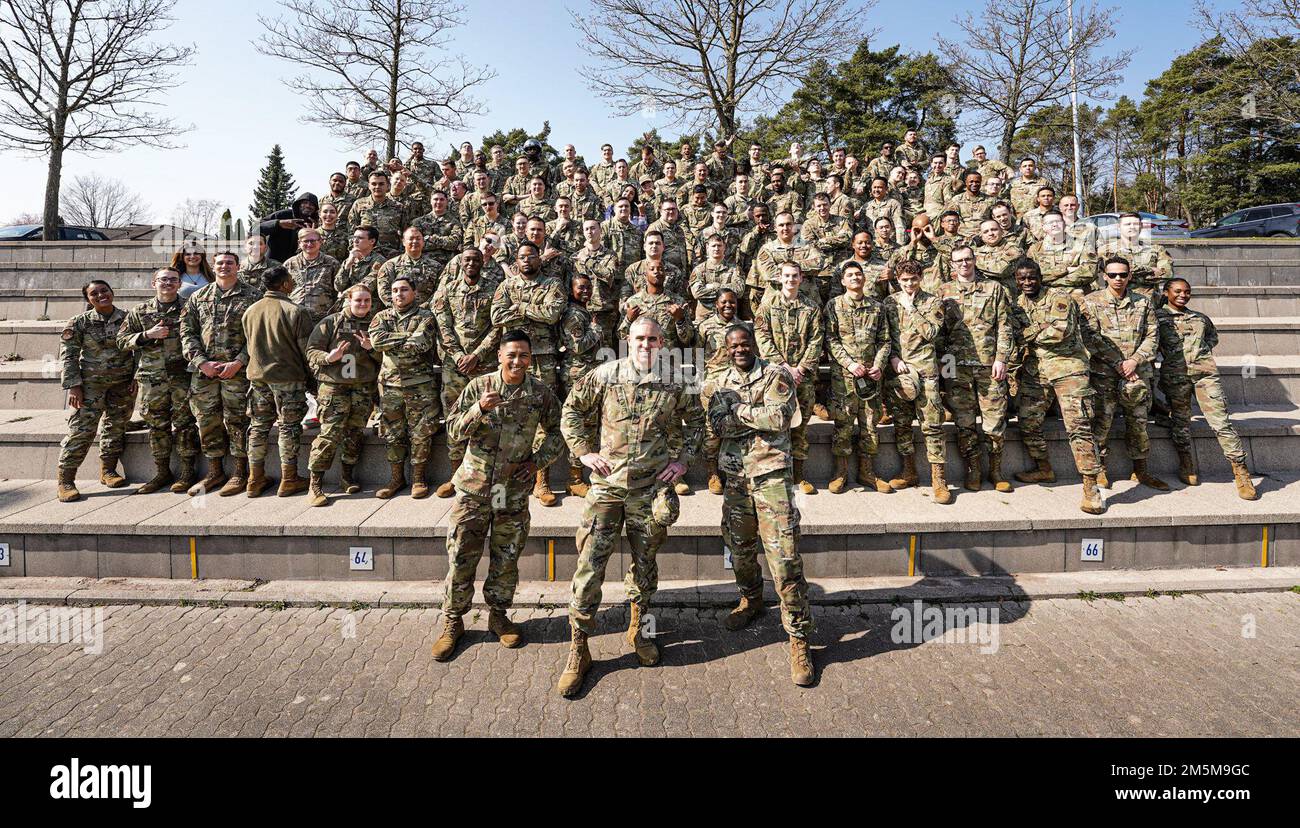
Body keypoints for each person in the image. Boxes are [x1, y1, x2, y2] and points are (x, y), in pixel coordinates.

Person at [556, 317, 705, 698]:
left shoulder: (675, 380)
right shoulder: (604, 374)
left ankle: (640, 630)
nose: (646, 345)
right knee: (589, 567)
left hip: (648, 489)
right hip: (607, 488)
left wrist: (683, 460)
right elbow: (571, 411)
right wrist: (584, 453)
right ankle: (579, 648)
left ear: (663, 342)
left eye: (654, 339)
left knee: (645, 564)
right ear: (627, 340)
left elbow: (698, 421)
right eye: (640, 338)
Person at [433, 330, 565, 661]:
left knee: (506, 559)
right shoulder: (479, 387)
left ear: (530, 358)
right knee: (462, 556)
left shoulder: (540, 394)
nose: (517, 361)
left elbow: (558, 431)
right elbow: (452, 429)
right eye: (511, 355)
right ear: (500, 357)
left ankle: (498, 616)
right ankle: (453, 622)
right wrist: (478, 408)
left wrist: (537, 463)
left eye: (523, 355)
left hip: (511, 491)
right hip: (474, 490)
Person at [706, 323, 815, 685]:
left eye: (744, 343)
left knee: (784, 560)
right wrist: (752, 415)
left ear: (753, 344)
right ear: (726, 348)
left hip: (771, 480)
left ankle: (799, 637)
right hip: (736, 479)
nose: (739, 349)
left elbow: (781, 417)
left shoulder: (775, 374)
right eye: (733, 345)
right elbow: (717, 426)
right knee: (739, 551)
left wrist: (738, 412)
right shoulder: (718, 380)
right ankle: (751, 600)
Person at [1008, 260, 1106, 514]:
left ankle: (1090, 486)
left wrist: (1029, 332)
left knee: (1079, 427)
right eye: (1022, 279)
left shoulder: (1059, 297)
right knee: (1028, 422)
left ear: (1040, 277)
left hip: (1068, 369)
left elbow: (1059, 331)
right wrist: (1038, 328)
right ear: (1016, 280)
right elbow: (1015, 335)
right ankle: (1043, 468)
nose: (1027, 283)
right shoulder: (1016, 304)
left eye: (1031, 278)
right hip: (1036, 371)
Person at [1156, 278, 1257, 499]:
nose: (1183, 295)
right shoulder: (1157, 317)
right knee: (1181, 421)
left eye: (1187, 292)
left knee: (1221, 422)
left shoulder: (1200, 318)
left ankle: (1241, 472)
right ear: (1166, 292)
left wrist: (1201, 354)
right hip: (1176, 375)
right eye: (1178, 291)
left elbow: (1212, 337)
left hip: (1205, 376)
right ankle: (1186, 463)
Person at [1079, 256, 1168, 491]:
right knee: (1102, 422)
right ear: (1104, 276)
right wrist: (1119, 363)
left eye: (1122, 274)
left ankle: (1141, 470)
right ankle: (1100, 470)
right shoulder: (1091, 302)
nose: (1118, 279)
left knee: (1138, 423)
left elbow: (1152, 335)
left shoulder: (1143, 302)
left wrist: (1135, 361)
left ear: (1129, 275)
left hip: (1138, 374)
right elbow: (1090, 337)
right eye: (1112, 275)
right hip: (1104, 373)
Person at [490, 241, 568, 505]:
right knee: (507, 413)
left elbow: (553, 313)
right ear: (516, 261)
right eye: (522, 257)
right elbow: (497, 316)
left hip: (542, 357)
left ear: (539, 258)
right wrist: (530, 312)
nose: (527, 260)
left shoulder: (553, 284)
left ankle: (541, 480)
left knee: (544, 417)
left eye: (531, 256)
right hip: (512, 359)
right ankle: (505, 477)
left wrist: (519, 309)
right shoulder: (506, 286)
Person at [180, 250, 260, 496]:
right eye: (220, 263)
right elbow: (187, 332)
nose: (224, 266)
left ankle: (239, 472)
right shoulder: (198, 297)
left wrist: (239, 362)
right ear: (213, 267)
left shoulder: (252, 296)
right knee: (207, 420)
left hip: (236, 371)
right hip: (204, 372)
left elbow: (257, 336)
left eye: (229, 263)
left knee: (238, 420)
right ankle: (215, 471)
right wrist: (201, 361)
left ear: (238, 266)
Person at [937, 245, 1015, 492]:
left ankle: (995, 469)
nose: (964, 264)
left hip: (988, 364)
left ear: (975, 260)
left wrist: (1002, 358)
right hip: (955, 366)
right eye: (958, 260)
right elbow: (939, 332)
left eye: (968, 259)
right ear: (952, 264)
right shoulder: (943, 292)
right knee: (964, 421)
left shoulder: (994, 289)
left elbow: (1004, 326)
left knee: (994, 421)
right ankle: (973, 468)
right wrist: (943, 366)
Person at [118, 268, 199, 495]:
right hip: (152, 379)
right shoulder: (140, 311)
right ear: (154, 283)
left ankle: (187, 472)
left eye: (173, 280)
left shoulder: (189, 308)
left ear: (180, 283)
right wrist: (146, 335)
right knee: (157, 426)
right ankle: (162, 472)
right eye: (163, 279)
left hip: (182, 377)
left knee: (185, 425)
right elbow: (121, 341)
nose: (168, 283)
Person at [55, 280, 137, 502]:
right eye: (94, 293)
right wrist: (73, 386)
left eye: (104, 290)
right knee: (82, 431)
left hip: (122, 384)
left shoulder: (128, 318)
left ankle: (108, 471)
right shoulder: (79, 323)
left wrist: (136, 376)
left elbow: (138, 349)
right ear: (88, 299)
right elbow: (69, 356)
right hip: (90, 386)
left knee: (116, 427)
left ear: (112, 292)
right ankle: (66, 480)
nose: (101, 295)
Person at [431, 247, 502, 497]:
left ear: (483, 261)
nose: (471, 263)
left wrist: (477, 355)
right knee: (455, 416)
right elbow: (443, 327)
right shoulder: (447, 289)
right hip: (455, 364)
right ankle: (455, 475)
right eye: (467, 260)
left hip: (485, 364)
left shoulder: (495, 287)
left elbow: (499, 326)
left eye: (475, 259)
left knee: (489, 418)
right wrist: (460, 355)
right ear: (460, 263)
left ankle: (486, 475)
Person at [242, 266, 315, 497]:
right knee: (288, 428)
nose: (293, 283)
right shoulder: (296, 311)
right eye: (291, 280)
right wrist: (315, 382)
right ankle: (289, 478)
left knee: (258, 428)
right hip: (288, 379)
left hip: (258, 379)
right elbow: (308, 351)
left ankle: (254, 478)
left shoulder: (250, 311)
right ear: (284, 285)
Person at [305, 283, 379, 504]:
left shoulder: (376, 323)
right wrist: (329, 357)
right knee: (329, 434)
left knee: (355, 433)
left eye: (366, 300)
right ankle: (315, 484)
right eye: (358, 300)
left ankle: (347, 476)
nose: (363, 304)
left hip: (363, 387)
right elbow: (311, 350)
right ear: (348, 300)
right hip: (334, 387)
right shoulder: (331, 322)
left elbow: (387, 357)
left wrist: (372, 349)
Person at [824, 261, 894, 494]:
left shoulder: (877, 307)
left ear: (864, 279)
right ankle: (840, 472)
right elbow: (831, 340)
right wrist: (849, 363)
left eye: (858, 274)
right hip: (844, 377)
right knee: (843, 424)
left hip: (871, 378)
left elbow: (884, 340)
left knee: (870, 425)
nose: (855, 278)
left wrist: (878, 365)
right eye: (850, 275)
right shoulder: (833, 306)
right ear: (843, 281)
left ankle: (867, 471)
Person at [883, 260, 950, 501]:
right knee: (901, 423)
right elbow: (885, 336)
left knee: (932, 425)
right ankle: (909, 470)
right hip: (899, 370)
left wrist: (911, 308)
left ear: (920, 278)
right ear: (898, 280)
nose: (909, 284)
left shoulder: (932, 301)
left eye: (913, 279)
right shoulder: (889, 303)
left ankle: (939, 479)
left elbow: (931, 332)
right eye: (904, 280)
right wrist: (892, 358)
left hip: (925, 370)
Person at [754, 262, 823, 494]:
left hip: (802, 377)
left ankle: (799, 476)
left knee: (800, 427)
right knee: (774, 425)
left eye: (795, 275)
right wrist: (784, 367)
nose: (791, 280)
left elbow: (816, 339)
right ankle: (776, 475)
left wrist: (801, 369)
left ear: (801, 278)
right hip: (776, 377)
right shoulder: (767, 306)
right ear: (779, 278)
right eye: (786, 276)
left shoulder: (811, 307)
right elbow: (762, 336)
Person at [369, 276, 439, 499]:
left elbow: (420, 343)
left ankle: (418, 479)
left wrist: (395, 341)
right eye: (395, 290)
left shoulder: (425, 316)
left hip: (420, 386)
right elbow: (377, 342)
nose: (399, 294)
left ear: (414, 292)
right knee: (392, 434)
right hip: (390, 386)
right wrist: (405, 337)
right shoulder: (381, 316)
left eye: (404, 290)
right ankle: (396, 478)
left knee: (421, 433)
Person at [559, 274, 605, 497]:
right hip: (578, 376)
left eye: (588, 287)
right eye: (580, 288)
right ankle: (574, 478)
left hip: (590, 374)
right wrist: (596, 330)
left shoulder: (584, 311)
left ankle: (581, 475)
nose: (585, 291)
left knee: (591, 425)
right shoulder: (573, 314)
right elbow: (578, 346)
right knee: (581, 425)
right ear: (571, 290)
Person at [1098, 212, 1174, 303]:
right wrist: (1150, 271)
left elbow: (1167, 274)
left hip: (1149, 302)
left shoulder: (1156, 249)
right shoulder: (1105, 251)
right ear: (1118, 226)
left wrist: (1127, 274)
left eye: (1136, 224)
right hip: (1117, 302)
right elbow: (1095, 274)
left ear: (1141, 226)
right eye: (1127, 224)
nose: (1132, 227)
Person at [571, 218, 622, 349]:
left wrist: (587, 261)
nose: (590, 232)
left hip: (604, 310)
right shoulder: (576, 257)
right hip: (581, 309)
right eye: (586, 229)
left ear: (600, 231)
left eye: (593, 228)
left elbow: (609, 276)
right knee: (583, 348)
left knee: (605, 349)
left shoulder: (610, 256)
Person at [284, 227, 341, 324]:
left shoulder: (331, 263)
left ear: (320, 242)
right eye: (306, 241)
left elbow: (339, 289)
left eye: (313, 241)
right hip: (295, 317)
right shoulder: (289, 264)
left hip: (323, 318)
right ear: (299, 243)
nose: (309, 244)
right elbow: (282, 291)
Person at [258, 192, 320, 263]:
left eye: (312, 204)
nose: (308, 206)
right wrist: (278, 223)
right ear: (299, 204)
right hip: (273, 264)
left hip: (297, 266)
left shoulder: (315, 224)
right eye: (305, 203)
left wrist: (313, 233)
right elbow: (254, 230)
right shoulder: (283, 215)